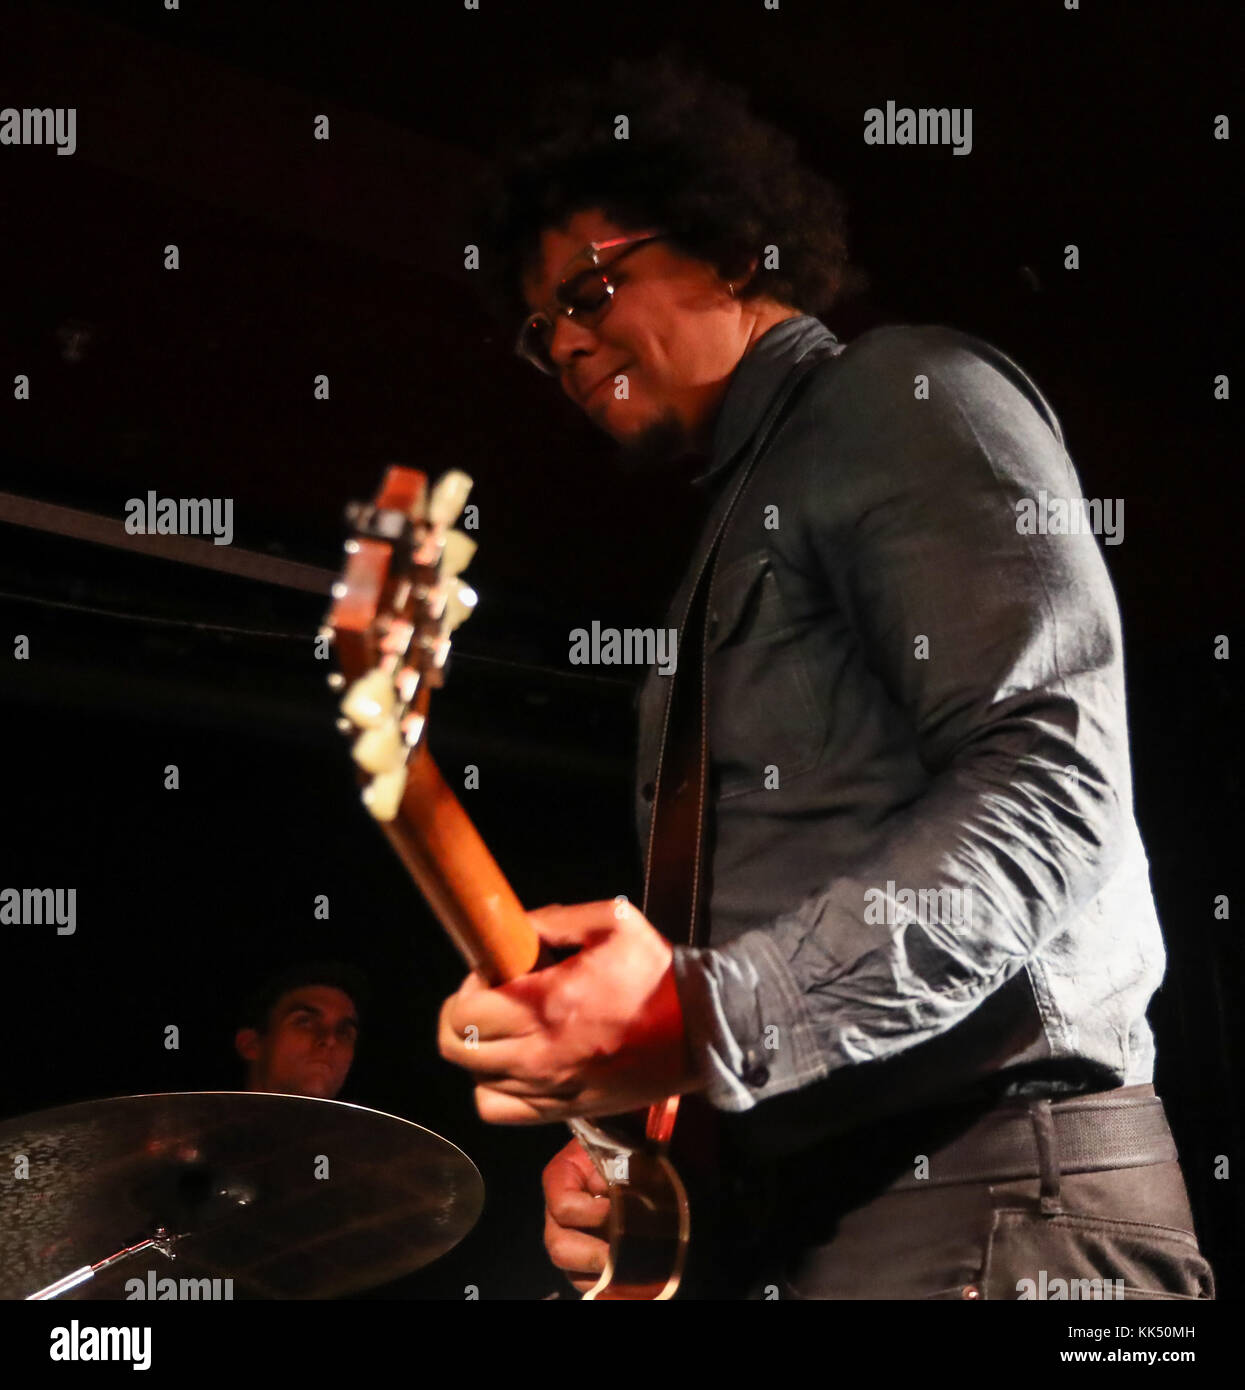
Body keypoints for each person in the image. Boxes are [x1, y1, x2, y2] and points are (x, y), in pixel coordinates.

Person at [437, 53, 1215, 1300]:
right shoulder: (733, 524)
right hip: (816, 1222)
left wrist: (707, 1018)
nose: (568, 342)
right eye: (542, 333)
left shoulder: (905, 397)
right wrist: (647, 1160)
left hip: (1003, 1197)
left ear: (736, 248)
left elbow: (1055, 789)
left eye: (589, 288)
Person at [234, 962, 364, 1101]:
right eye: (305, 1022)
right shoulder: (209, 1120)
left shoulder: (374, 1123)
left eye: (344, 1032)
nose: (330, 1039)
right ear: (250, 1044)